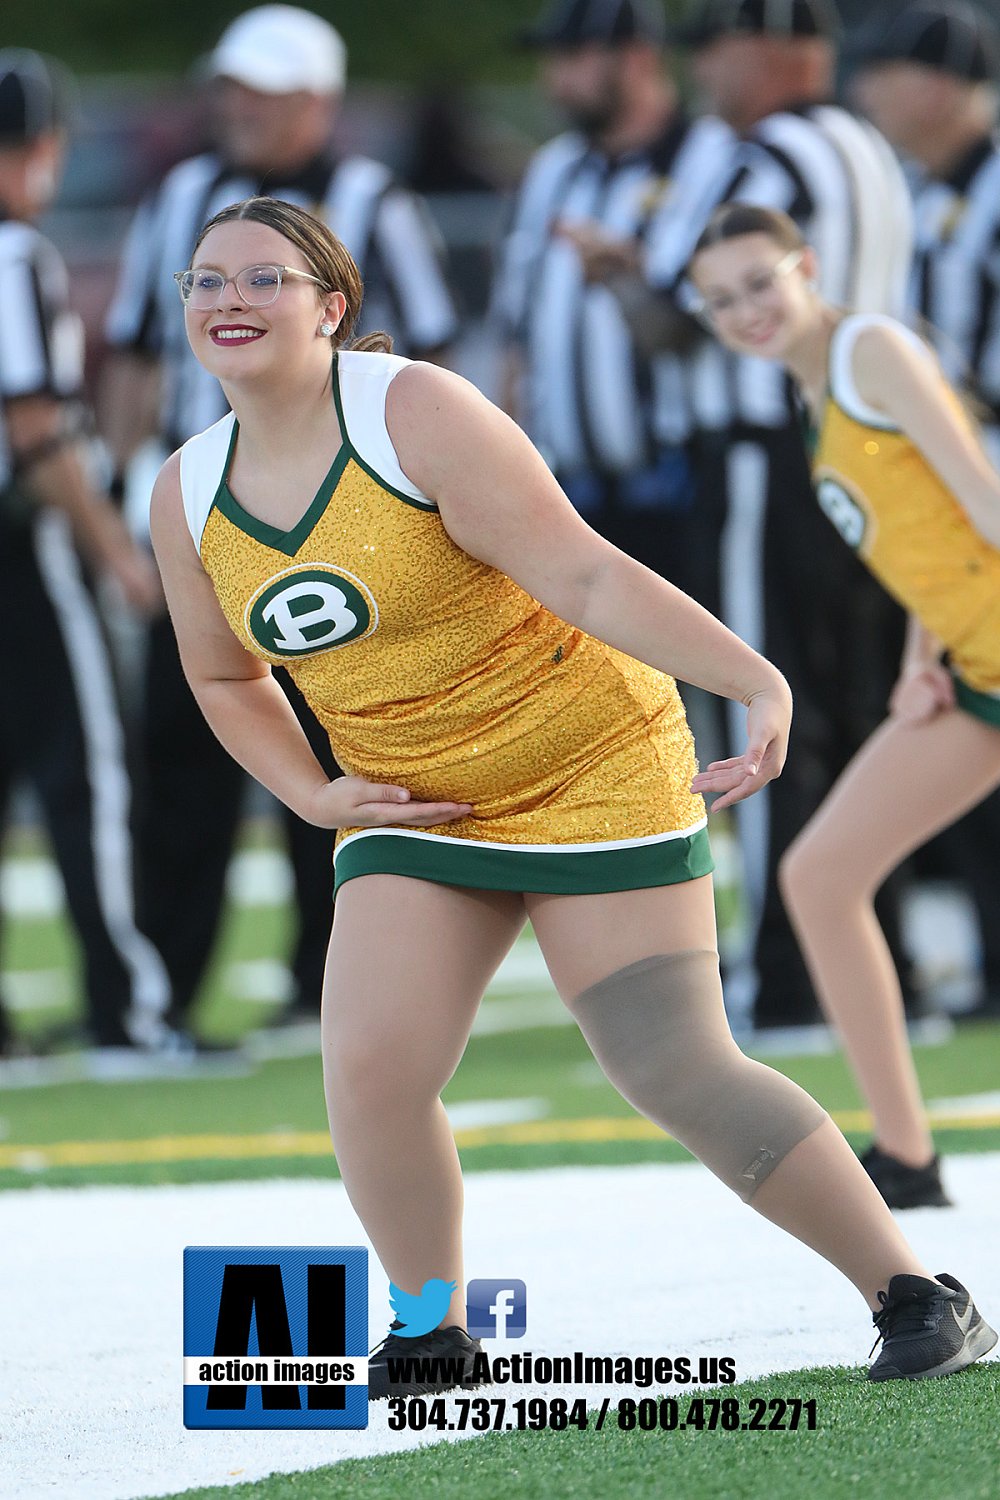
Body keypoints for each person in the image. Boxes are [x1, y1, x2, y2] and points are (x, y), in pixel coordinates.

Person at [149, 193, 995, 1394]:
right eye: (206, 281)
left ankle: (913, 1293)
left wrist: (750, 678)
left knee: (672, 1064)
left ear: (331, 307)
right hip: (418, 804)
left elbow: (584, 572)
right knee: (372, 1070)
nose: (228, 300)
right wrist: (312, 792)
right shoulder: (185, 487)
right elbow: (221, 675)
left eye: (261, 279)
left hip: (588, 762)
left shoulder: (413, 411)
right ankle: (433, 1331)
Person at [100, 4, 459, 1034]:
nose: (241, 108)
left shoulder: (371, 200)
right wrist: (125, 492)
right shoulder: (182, 194)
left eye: (264, 92)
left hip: (345, 518)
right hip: (204, 515)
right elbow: (134, 346)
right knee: (183, 754)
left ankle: (330, 981)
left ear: (317, 101)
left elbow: (428, 359)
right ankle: (167, 990)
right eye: (232, 88)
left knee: (344, 741)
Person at [569, 0, 919, 1034]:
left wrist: (618, 273)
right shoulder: (865, 147)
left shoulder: (759, 156)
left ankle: (791, 971)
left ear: (773, 48)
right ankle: (877, 959)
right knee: (858, 708)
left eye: (715, 49)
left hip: (766, 448)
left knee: (767, 703)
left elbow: (689, 316)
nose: (703, 75)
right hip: (859, 454)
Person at [687, 201, 1000, 1210]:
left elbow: (983, 498)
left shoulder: (870, 350)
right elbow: (925, 534)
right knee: (820, 875)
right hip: (972, 664)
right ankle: (904, 1157)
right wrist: (922, 656)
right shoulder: (815, 389)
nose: (745, 310)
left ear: (807, 267)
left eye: (759, 283)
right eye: (720, 300)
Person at [0, 49, 175, 1068]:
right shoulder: (16, 253)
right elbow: (33, 428)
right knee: (88, 776)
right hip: (22, 546)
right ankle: (126, 1011)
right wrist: (114, 548)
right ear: (39, 150)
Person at [852, 1, 1000, 1025]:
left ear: (940, 80)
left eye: (884, 72)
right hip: (943, 491)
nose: (865, 92)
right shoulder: (919, 191)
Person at [494, 0, 734, 599]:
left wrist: (627, 275)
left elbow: (702, 320)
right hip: (570, 492)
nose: (555, 78)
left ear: (638, 59)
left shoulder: (713, 156)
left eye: (574, 57)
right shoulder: (555, 169)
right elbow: (518, 333)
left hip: (684, 485)